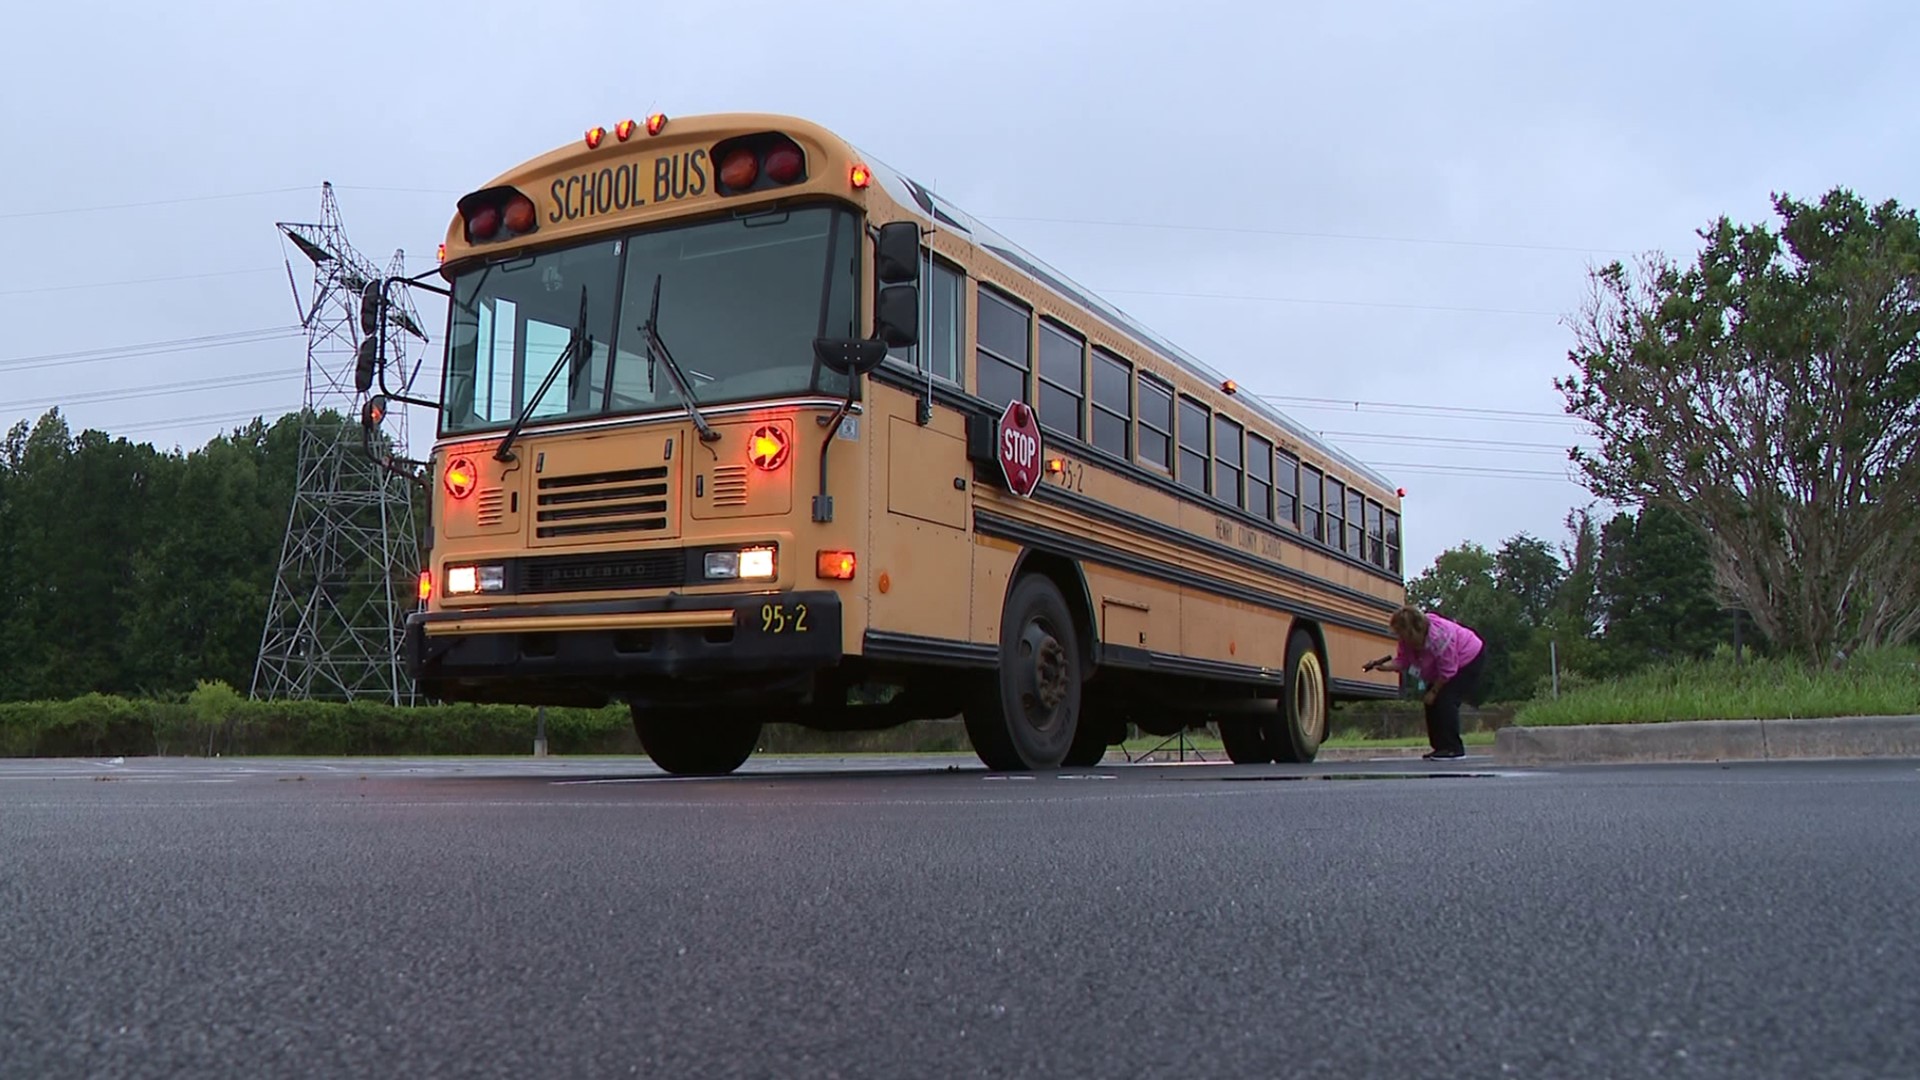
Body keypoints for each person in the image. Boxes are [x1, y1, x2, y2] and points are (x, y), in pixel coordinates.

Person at [1363, 606, 1486, 760]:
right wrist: (1383, 667)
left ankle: (1453, 748)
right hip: (1444, 668)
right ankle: (1440, 747)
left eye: (1403, 634)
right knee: (1430, 703)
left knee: (1445, 699)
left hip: (1469, 658)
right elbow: (1403, 661)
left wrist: (1433, 691)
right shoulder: (1406, 641)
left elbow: (1447, 671)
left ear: (1415, 630)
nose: (1401, 639)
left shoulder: (1440, 638)